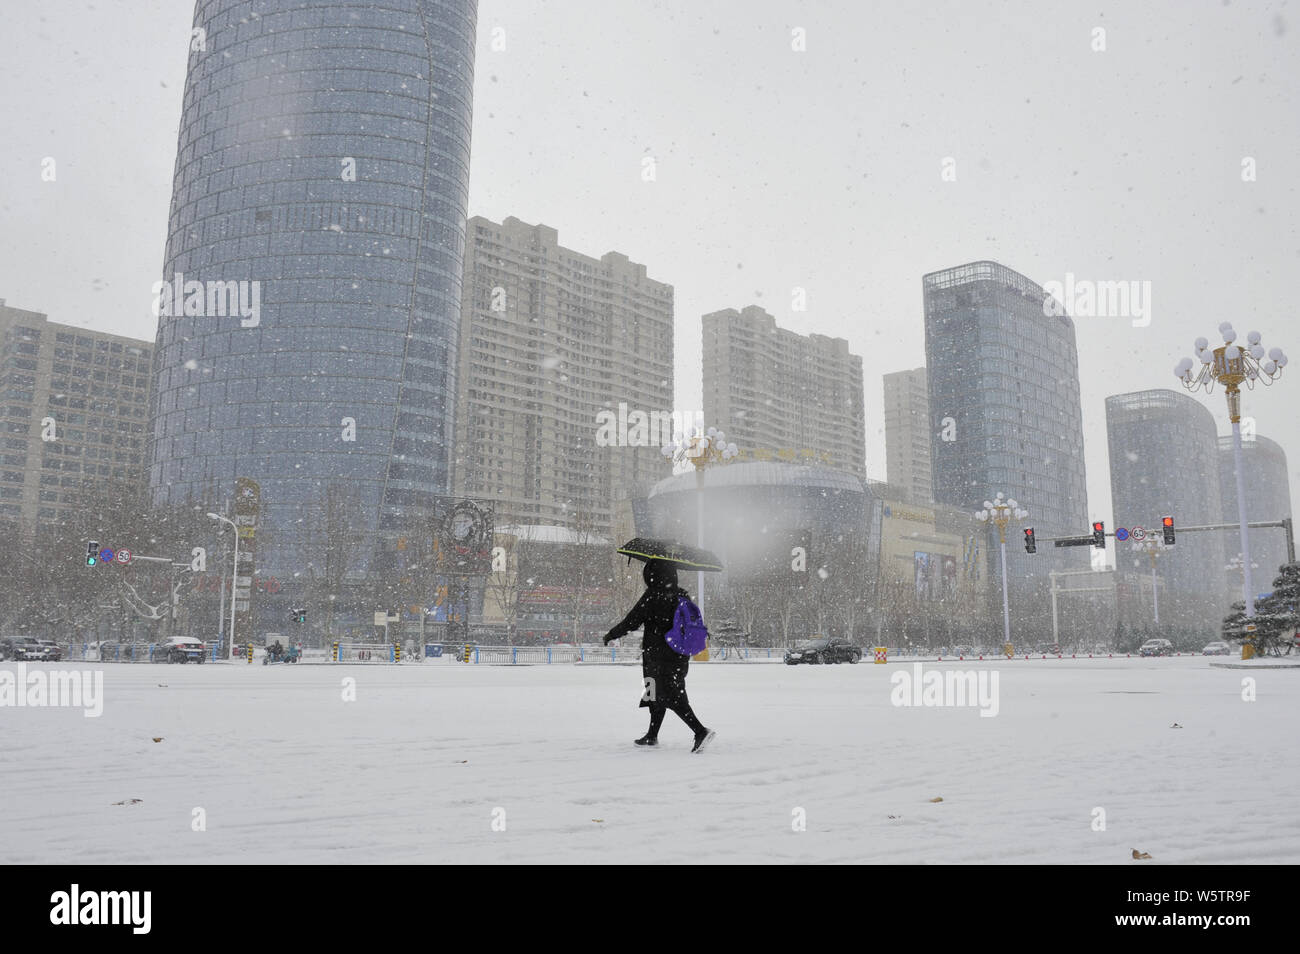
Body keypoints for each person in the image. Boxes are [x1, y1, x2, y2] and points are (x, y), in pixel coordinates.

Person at [603, 561, 715, 752]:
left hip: (658, 656)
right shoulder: (682, 594)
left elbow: (632, 620)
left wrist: (612, 634)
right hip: (678, 654)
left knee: (669, 696)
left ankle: (700, 731)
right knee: (655, 693)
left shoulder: (653, 596)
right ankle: (652, 735)